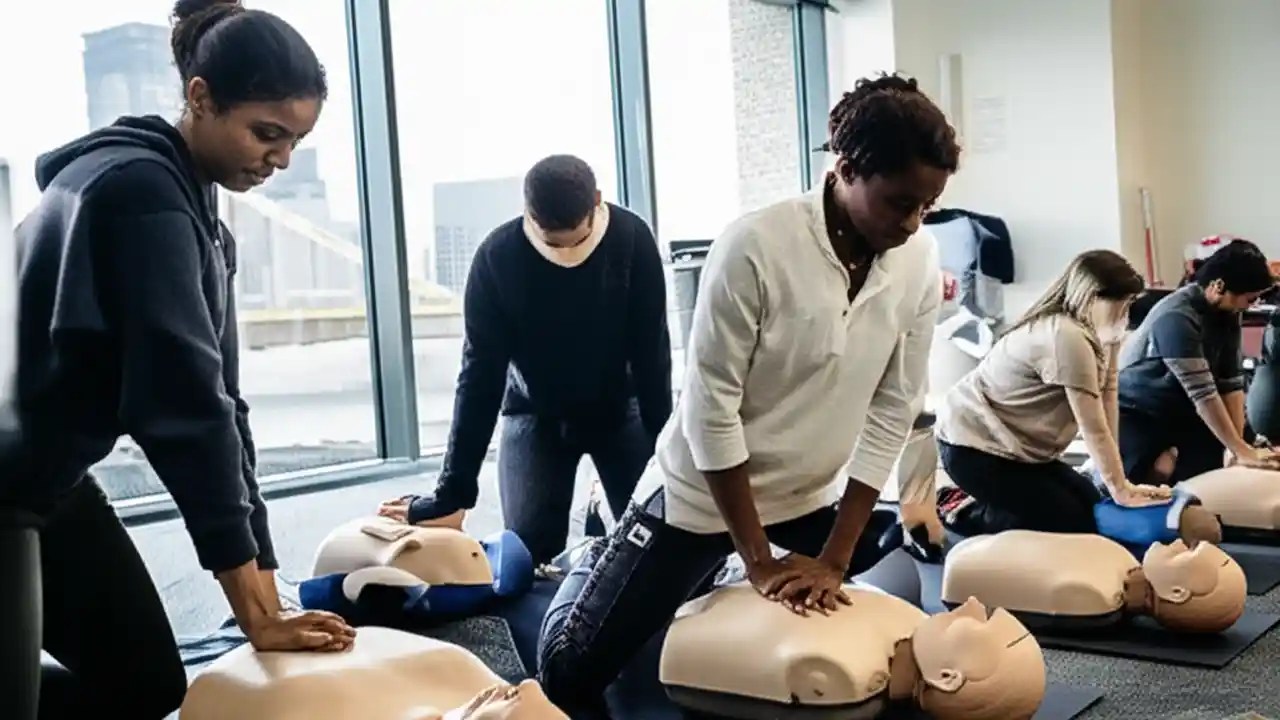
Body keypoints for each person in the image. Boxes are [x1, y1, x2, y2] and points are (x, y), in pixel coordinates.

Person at [535, 73, 959, 717]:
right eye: (900, 203)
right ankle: (592, 558)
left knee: (866, 608)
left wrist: (836, 559)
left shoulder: (919, 259)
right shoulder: (755, 246)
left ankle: (714, 572)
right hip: (699, 495)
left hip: (807, 496)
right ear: (845, 169)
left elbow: (894, 407)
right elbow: (711, 412)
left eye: (928, 206)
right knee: (568, 677)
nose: (913, 222)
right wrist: (758, 561)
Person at [0, 1, 356, 717]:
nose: (281, 159)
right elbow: (185, 411)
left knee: (147, 684)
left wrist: (266, 590)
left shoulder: (189, 200)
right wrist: (253, 613)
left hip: (49, 479)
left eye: (295, 141)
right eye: (267, 134)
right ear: (200, 97)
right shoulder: (140, 197)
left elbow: (223, 404)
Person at [378, 155, 671, 565]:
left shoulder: (632, 239)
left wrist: (668, 459)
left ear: (597, 203)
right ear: (528, 213)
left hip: (619, 409)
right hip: (536, 415)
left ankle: (600, 502)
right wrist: (452, 494)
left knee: (653, 544)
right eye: (552, 243)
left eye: (576, 241)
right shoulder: (496, 259)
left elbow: (652, 356)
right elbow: (479, 380)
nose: (566, 254)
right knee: (529, 552)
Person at [935, 251, 1172, 537]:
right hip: (975, 448)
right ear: (1092, 297)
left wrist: (1120, 484)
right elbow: (1093, 428)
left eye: (1129, 304)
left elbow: (1108, 392)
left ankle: (993, 501)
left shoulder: (1100, 332)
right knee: (1067, 522)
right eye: (1120, 303)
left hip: (1019, 449)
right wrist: (1120, 488)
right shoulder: (1065, 335)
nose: (1125, 313)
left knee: (1091, 503)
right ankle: (960, 510)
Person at [1118, 239, 1280, 485]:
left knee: (1218, 466)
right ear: (1218, 286)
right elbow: (1203, 394)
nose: (1252, 305)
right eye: (1249, 299)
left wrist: (1237, 447)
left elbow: (1231, 381)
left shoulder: (1228, 312)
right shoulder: (1177, 318)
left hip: (1182, 405)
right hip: (1139, 410)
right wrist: (1238, 449)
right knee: (1161, 470)